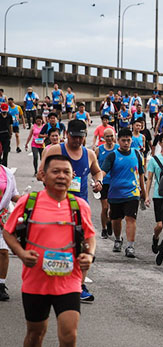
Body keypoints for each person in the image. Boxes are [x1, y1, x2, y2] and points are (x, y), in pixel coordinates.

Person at [1, 154, 96, 347]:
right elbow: (8, 232)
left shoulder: (79, 206)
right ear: (43, 175)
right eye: (56, 171)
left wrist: (89, 255)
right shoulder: (29, 202)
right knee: (35, 334)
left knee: (69, 335)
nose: (62, 176)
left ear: (72, 177)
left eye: (66, 172)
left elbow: (90, 236)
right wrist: (21, 253)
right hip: (36, 282)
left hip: (69, 281)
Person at [39, 120, 103, 303]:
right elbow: (40, 174)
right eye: (74, 137)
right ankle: (50, 281)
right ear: (67, 134)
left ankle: (79, 286)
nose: (77, 141)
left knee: (84, 247)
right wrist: (60, 175)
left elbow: (97, 171)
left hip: (80, 208)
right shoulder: (55, 150)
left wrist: (98, 181)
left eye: (81, 137)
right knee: (54, 246)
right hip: (55, 206)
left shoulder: (89, 154)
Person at [100, 128, 145, 258]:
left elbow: (141, 174)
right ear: (118, 140)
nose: (126, 143)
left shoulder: (137, 154)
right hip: (115, 193)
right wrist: (98, 181)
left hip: (132, 193)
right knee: (116, 219)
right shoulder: (112, 156)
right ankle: (118, 239)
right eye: (123, 140)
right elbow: (103, 171)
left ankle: (130, 246)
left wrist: (144, 192)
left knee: (131, 218)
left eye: (128, 140)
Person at [145, 134, 163, 259]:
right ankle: (155, 237)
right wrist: (147, 195)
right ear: (160, 144)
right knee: (160, 225)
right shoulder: (154, 160)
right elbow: (150, 178)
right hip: (159, 196)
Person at [0, 162, 22, 302]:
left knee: (3, 251)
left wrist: (29, 201)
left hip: (1, 217)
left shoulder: (6, 173)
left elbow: (13, 194)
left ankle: (1, 285)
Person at [94, 129, 117, 240]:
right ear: (103, 137)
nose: (109, 138)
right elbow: (93, 165)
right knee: (105, 207)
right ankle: (104, 228)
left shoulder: (118, 148)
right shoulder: (99, 150)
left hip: (115, 182)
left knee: (113, 208)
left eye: (111, 136)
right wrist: (96, 179)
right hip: (103, 182)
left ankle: (109, 221)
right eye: (107, 136)